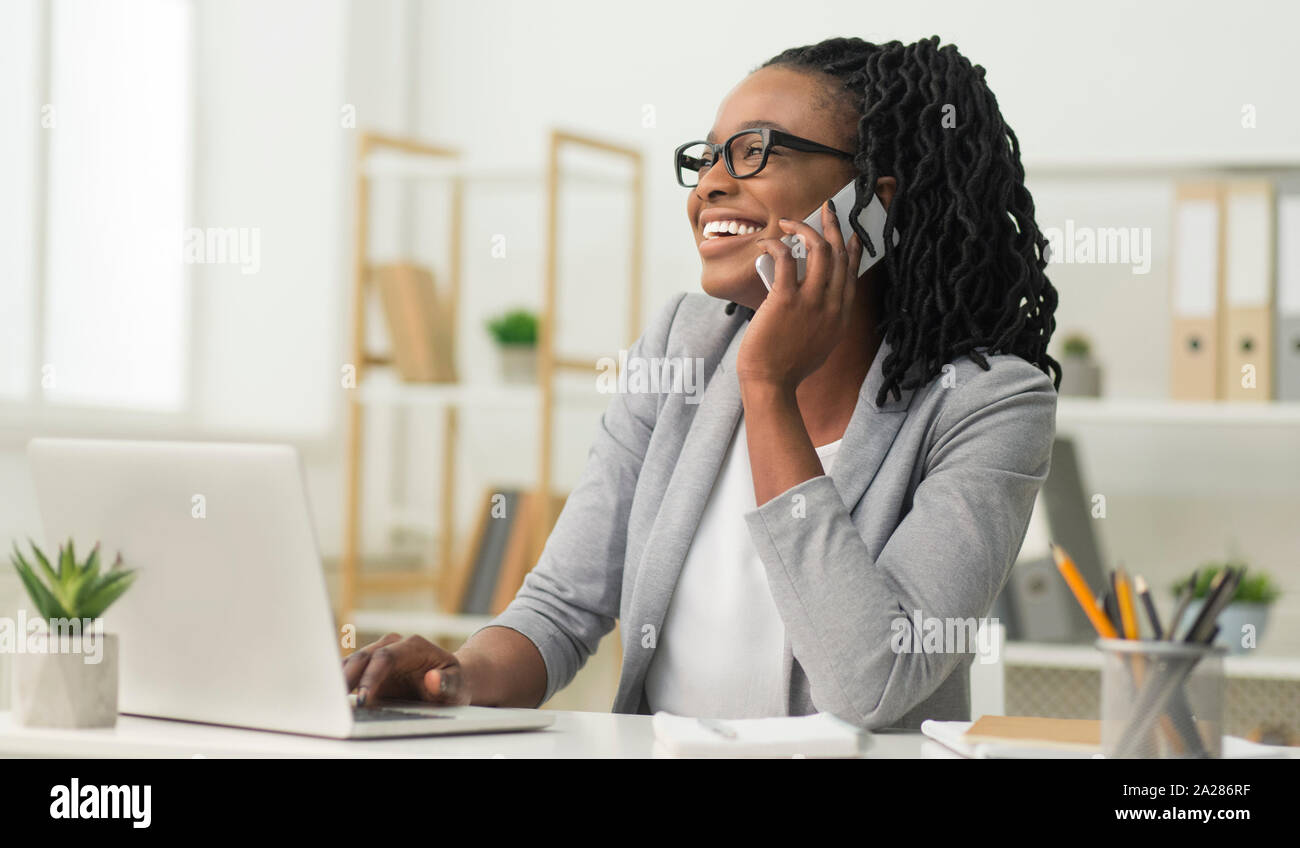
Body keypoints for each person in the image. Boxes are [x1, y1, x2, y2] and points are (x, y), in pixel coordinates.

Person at [343, 35, 1060, 730]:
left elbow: (872, 682)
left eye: (754, 152)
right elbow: (562, 607)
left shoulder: (989, 405)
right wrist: (458, 678)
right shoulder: (684, 344)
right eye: (709, 156)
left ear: (872, 204)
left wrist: (768, 387)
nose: (712, 183)